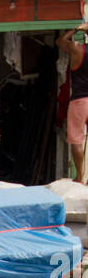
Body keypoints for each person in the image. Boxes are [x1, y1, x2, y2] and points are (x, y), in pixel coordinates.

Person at [56, 23, 88, 183]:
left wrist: (76, 29)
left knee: (76, 140)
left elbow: (60, 41)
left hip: (80, 101)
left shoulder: (78, 49)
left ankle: (80, 177)